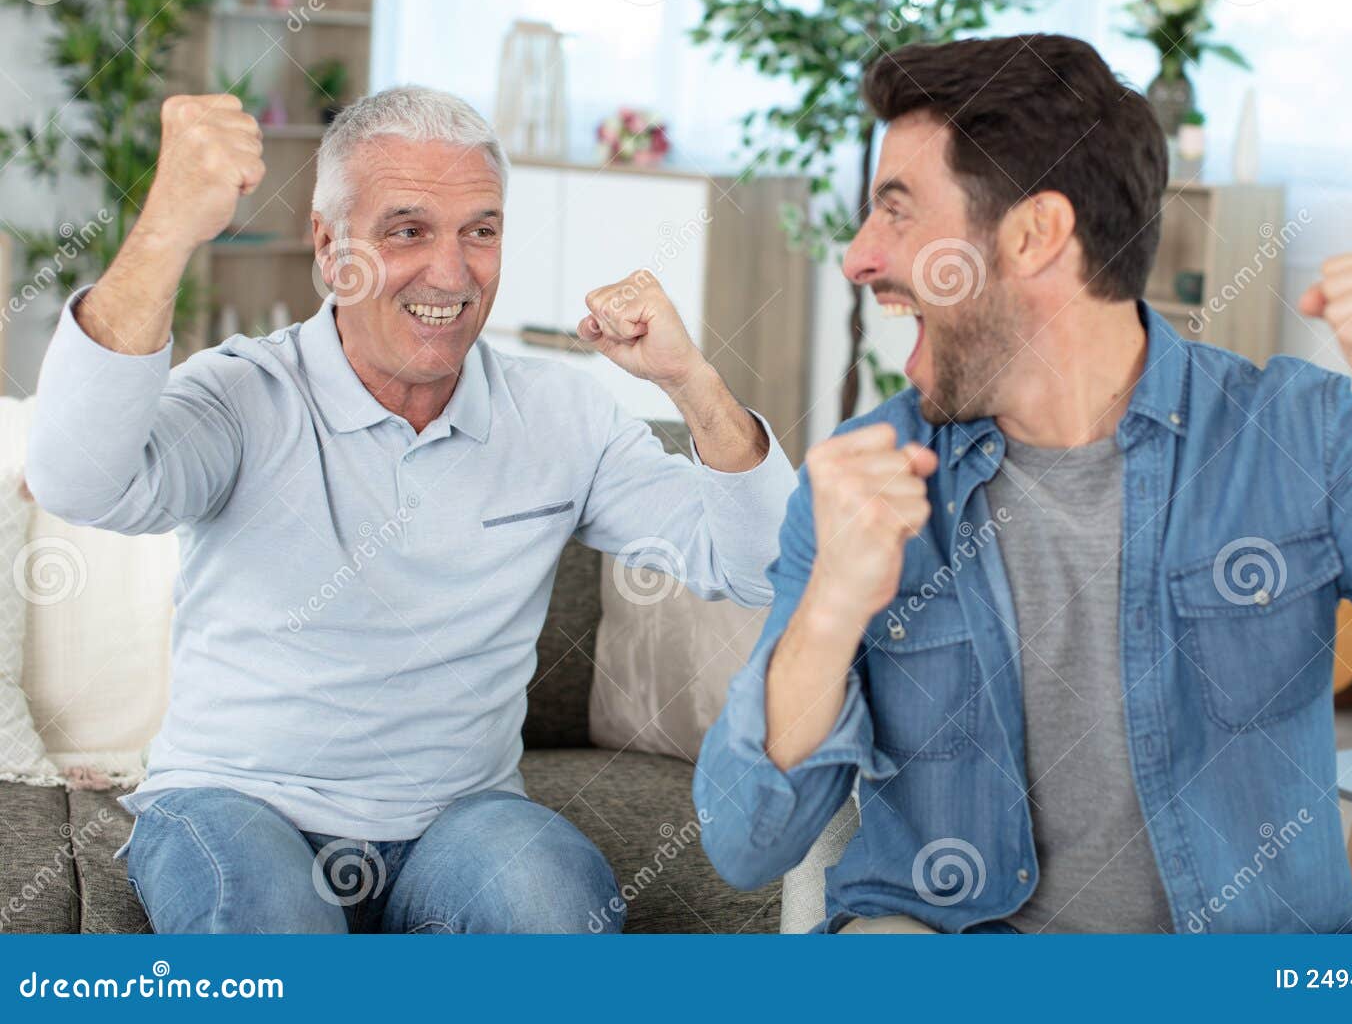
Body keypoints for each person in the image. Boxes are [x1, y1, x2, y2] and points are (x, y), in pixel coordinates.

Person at [694, 34, 1352, 933]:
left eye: (896, 211)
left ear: (1034, 234)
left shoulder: (1297, 437)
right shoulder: (866, 476)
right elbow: (744, 842)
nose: (856, 256)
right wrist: (828, 611)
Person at [27, 86, 796, 933]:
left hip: (458, 821)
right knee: (271, 938)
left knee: (551, 912)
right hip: (235, 801)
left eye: (481, 231)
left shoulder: (560, 415)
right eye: (407, 231)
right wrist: (167, 225)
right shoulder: (244, 392)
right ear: (329, 246)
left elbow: (761, 561)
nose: (451, 272)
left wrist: (690, 382)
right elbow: (76, 480)